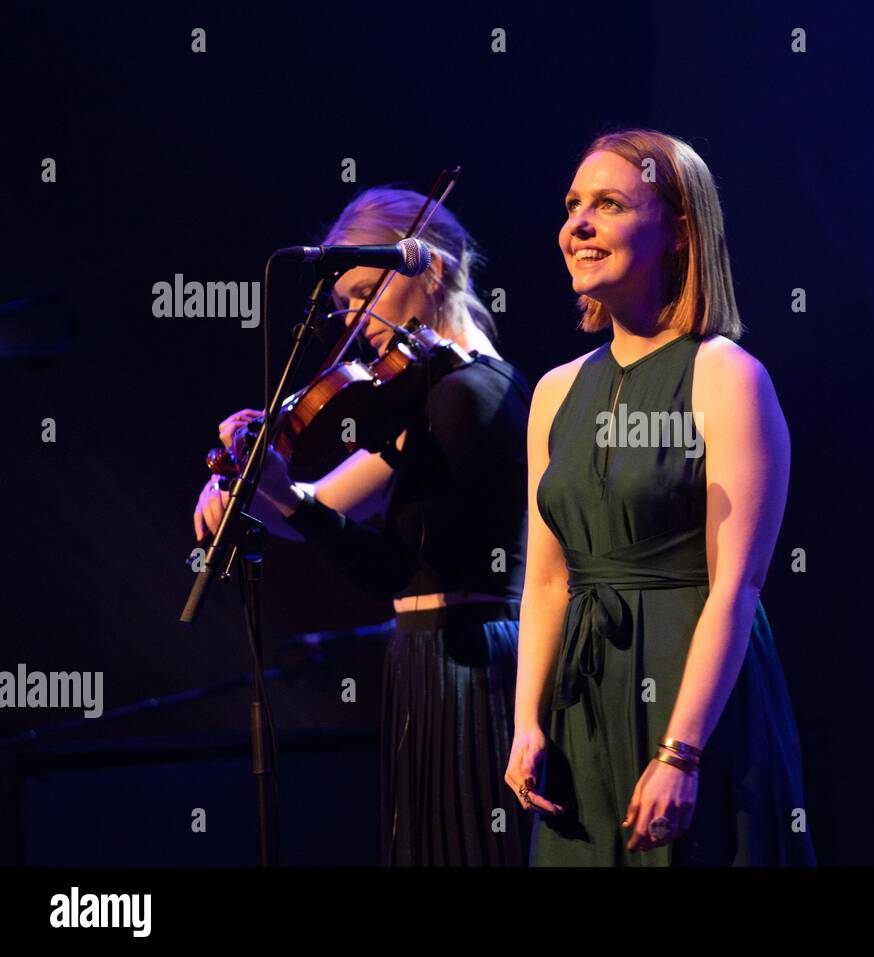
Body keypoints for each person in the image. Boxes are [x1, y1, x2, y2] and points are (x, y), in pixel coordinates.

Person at [193, 187, 532, 866]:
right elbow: (324, 502)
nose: (349, 318)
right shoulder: (430, 391)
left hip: (468, 660)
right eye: (341, 301)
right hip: (429, 657)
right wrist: (246, 485)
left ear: (429, 269)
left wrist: (286, 500)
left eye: (361, 294)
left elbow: (388, 567)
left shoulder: (472, 393)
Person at [504, 129, 815, 865]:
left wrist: (682, 751)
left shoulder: (725, 376)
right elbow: (546, 580)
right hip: (582, 702)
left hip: (693, 693)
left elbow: (736, 583)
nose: (577, 225)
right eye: (573, 205)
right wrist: (526, 721)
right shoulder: (555, 391)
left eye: (608, 204)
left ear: (679, 232)